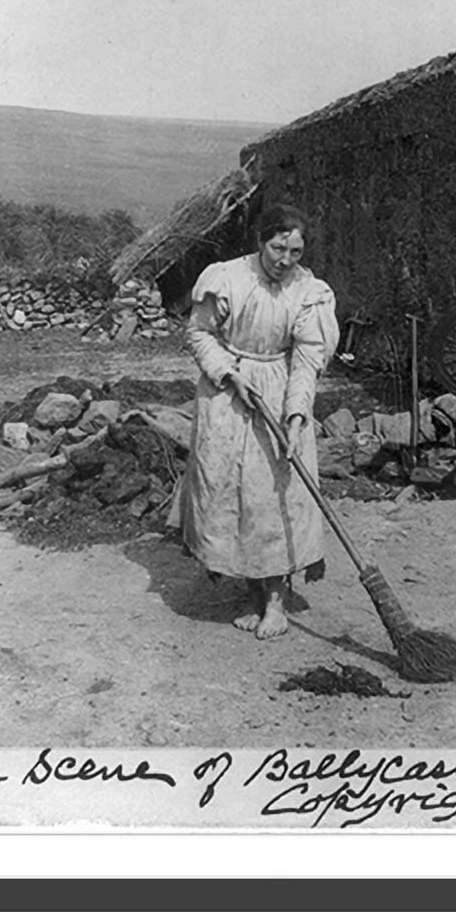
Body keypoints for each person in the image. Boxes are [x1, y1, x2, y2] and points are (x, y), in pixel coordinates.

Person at [178, 205, 340, 641]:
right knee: (232, 493)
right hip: (228, 395)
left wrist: (295, 414)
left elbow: (307, 360)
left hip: (279, 391)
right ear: (260, 240)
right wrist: (229, 374)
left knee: (274, 496)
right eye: (277, 247)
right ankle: (253, 596)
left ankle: (276, 602)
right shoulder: (226, 278)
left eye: (295, 250)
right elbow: (198, 334)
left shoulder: (310, 292)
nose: (285, 259)